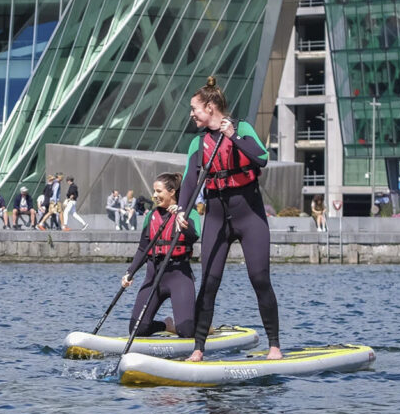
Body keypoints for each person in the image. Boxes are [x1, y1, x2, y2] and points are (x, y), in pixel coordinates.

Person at [178, 76, 282, 361]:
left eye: (195, 109)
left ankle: (274, 346)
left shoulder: (243, 128)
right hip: (215, 216)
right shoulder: (197, 143)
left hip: (249, 214)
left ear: (210, 107)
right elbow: (189, 181)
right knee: (209, 283)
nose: (191, 114)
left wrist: (233, 136)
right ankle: (198, 350)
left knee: (259, 278)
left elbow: (261, 158)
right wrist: (180, 212)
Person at [121, 174, 200, 338]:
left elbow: (194, 236)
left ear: (172, 192)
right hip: (153, 276)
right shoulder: (151, 217)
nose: (154, 195)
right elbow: (143, 248)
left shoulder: (189, 213)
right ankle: (166, 325)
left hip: (179, 276)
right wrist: (130, 272)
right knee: (137, 329)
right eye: (154, 191)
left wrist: (181, 219)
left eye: (158, 191)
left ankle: (198, 326)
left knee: (185, 331)